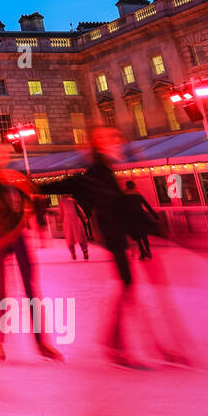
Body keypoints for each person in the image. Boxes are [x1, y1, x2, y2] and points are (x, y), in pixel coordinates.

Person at [41, 126, 182, 368]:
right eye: (108, 139)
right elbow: (71, 186)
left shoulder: (104, 171)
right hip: (114, 235)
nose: (116, 143)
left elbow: (118, 205)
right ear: (97, 145)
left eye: (115, 138)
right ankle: (116, 345)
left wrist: (146, 229)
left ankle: (118, 344)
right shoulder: (96, 173)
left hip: (120, 234)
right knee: (127, 287)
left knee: (127, 287)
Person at [0, 142, 63, 364]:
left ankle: (41, 342)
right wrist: (10, 184)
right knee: (2, 289)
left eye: (1, 151)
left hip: (16, 235)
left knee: (31, 287)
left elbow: (29, 199)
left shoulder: (11, 175)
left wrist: (28, 198)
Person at [122, 181, 159, 260]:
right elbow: (147, 205)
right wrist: (154, 215)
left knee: (137, 236)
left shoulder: (124, 195)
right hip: (141, 216)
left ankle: (142, 252)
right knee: (144, 235)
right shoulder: (138, 194)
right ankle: (148, 251)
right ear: (134, 186)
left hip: (131, 217)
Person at [61, 195, 89, 260]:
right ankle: (85, 251)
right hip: (76, 219)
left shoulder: (62, 202)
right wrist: (84, 218)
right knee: (80, 236)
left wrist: (63, 221)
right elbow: (79, 210)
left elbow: (61, 213)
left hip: (67, 221)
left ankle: (73, 252)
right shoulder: (73, 201)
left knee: (70, 237)